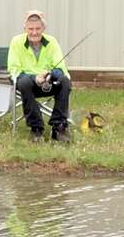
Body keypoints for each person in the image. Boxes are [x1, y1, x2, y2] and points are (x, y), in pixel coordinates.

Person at [5, 10, 73, 141]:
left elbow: (61, 67)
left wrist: (50, 75)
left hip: (48, 82)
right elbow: (14, 69)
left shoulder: (52, 41)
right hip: (28, 84)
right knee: (24, 82)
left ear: (44, 28)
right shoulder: (16, 41)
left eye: (38, 28)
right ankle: (36, 128)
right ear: (25, 28)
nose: (34, 32)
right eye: (30, 29)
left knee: (64, 80)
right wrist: (34, 78)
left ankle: (59, 126)